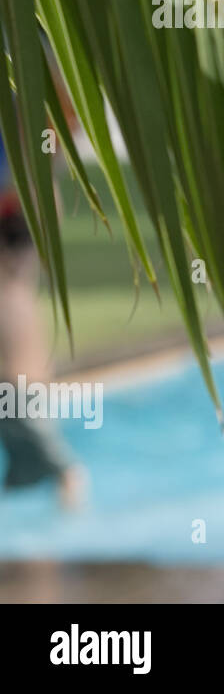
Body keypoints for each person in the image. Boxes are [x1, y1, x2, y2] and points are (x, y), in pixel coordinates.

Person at [0, 125, 87, 510]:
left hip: (19, 207)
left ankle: (64, 477)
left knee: (16, 344)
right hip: (23, 204)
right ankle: (57, 476)